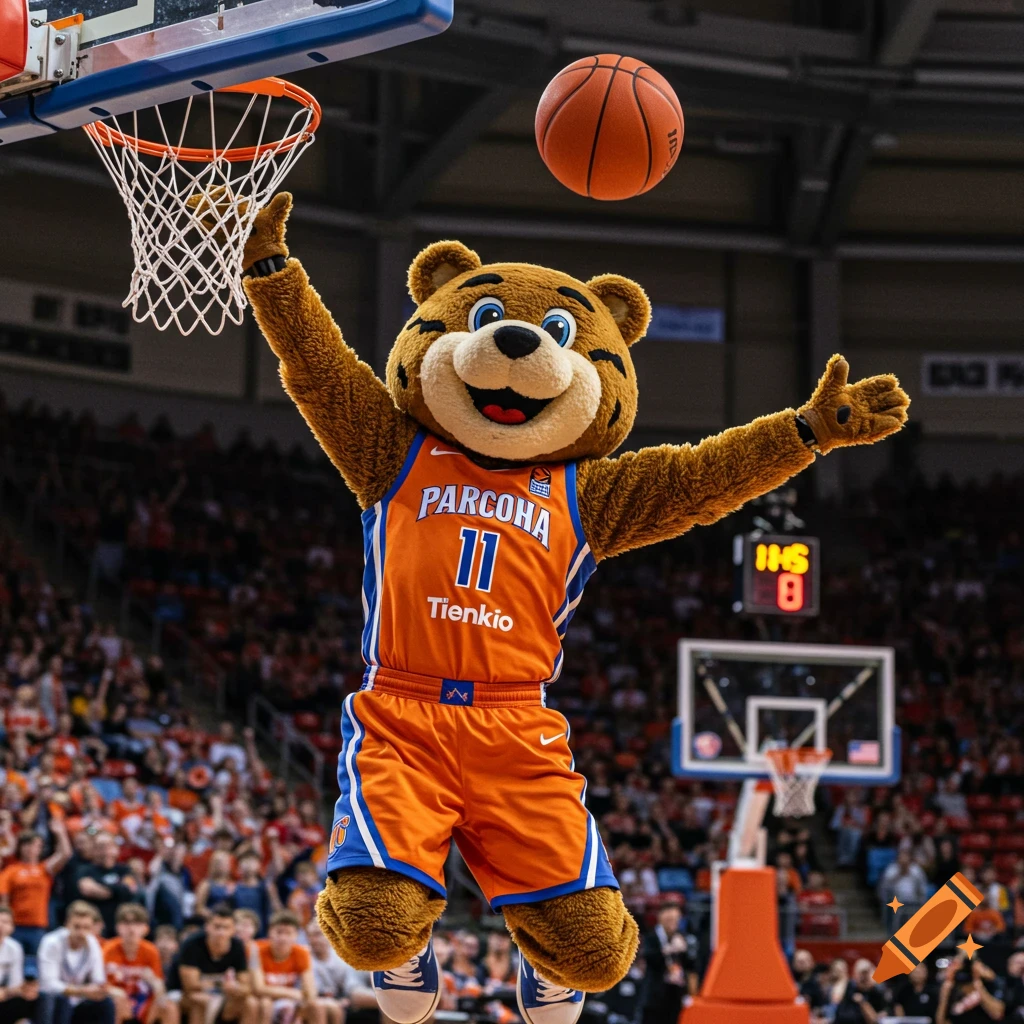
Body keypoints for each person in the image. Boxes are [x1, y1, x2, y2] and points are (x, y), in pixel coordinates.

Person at [0, 822, 72, 956]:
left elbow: (65, 854)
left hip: (38, 926)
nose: (31, 848)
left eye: (36, 845)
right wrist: (4, 925)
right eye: (27, 844)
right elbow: (4, 901)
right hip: (15, 926)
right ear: (21, 847)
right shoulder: (11, 871)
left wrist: (60, 833)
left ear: (40, 848)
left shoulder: (44, 869)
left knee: (37, 966)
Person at [37, 901, 115, 1024]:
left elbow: (98, 980)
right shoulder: (51, 942)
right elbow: (48, 984)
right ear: (67, 925)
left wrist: (100, 989)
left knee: (106, 1002)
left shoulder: (92, 943)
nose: (81, 933)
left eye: (86, 928)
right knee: (61, 1000)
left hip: (79, 1000)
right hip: (55, 1000)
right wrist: (81, 991)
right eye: (77, 927)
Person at [177, 903, 256, 1024]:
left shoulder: (237, 946)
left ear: (233, 929)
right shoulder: (192, 944)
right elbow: (190, 986)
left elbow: (245, 986)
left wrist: (235, 987)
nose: (221, 932)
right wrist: (221, 984)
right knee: (201, 1001)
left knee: (251, 1003)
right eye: (217, 927)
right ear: (207, 926)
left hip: (221, 995)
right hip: (184, 994)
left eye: (226, 928)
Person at [103, 903, 178, 1024]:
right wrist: (115, 992)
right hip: (117, 996)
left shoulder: (151, 951)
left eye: (137, 923)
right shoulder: (108, 949)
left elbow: (159, 987)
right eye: (126, 923)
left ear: (146, 929)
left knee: (169, 1007)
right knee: (118, 1002)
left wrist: (154, 981)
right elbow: (100, 984)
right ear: (117, 927)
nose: (131, 929)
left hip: (142, 999)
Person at [252, 911, 321, 1024]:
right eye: (279, 932)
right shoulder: (256, 950)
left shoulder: (302, 952)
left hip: (290, 1000)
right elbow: (258, 988)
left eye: (288, 933)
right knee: (264, 1004)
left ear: (296, 936)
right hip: (266, 999)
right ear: (270, 932)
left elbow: (310, 991)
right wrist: (291, 993)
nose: (283, 938)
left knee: (315, 1006)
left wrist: (302, 1006)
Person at [640, 899, 697, 1024]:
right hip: (654, 997)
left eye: (676, 920)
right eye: (670, 920)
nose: (673, 923)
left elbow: (690, 965)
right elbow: (650, 958)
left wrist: (685, 950)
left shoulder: (682, 937)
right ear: (661, 918)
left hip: (675, 996)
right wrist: (669, 949)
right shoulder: (651, 937)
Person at [306, 923, 375, 1024]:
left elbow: (350, 986)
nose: (316, 940)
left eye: (319, 934)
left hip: (341, 999)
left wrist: (345, 999)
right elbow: (312, 992)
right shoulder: (305, 957)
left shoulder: (340, 957)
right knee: (324, 1007)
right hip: (317, 1000)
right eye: (312, 935)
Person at [75, 835, 137, 938]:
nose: (106, 851)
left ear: (116, 849)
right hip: (95, 926)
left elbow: (130, 889)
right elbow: (87, 889)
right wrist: (118, 889)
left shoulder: (124, 870)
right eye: (101, 847)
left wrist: (103, 889)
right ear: (94, 850)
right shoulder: (85, 870)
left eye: (109, 846)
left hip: (120, 926)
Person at [937, 954, 1005, 1024]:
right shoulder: (950, 989)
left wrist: (978, 985)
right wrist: (944, 996)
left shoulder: (989, 985)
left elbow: (997, 1014)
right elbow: (941, 1022)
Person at [0, 906, 37, 1024]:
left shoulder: (15, 948)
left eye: (5, 922)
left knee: (24, 1001)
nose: (1, 925)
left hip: (4, 995)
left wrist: (6, 992)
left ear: (12, 927)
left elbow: (16, 983)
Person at [831, 958, 891, 1024]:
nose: (863, 977)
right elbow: (835, 1000)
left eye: (866, 974)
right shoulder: (850, 987)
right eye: (861, 974)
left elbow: (875, 1018)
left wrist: (862, 1002)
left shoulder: (876, 992)